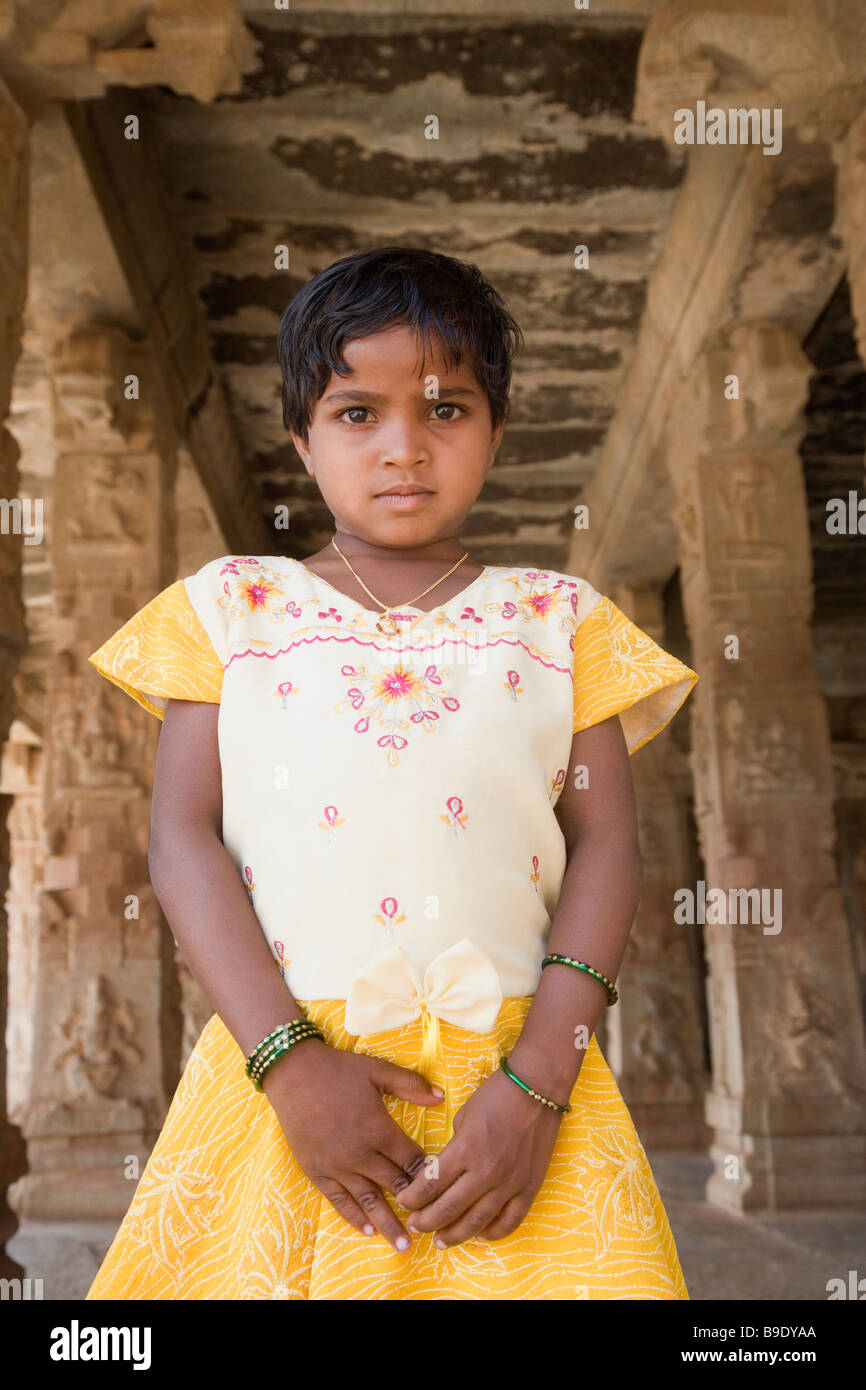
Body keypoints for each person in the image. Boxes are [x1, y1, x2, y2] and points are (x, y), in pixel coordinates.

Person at [85, 247, 698, 1300]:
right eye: (356, 413)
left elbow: (605, 846)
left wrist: (539, 1080)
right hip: (288, 1084)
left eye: (446, 409)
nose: (403, 448)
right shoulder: (231, 609)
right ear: (300, 440)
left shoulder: (559, 620)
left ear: (495, 432)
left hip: (517, 1096)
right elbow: (180, 838)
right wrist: (288, 1061)